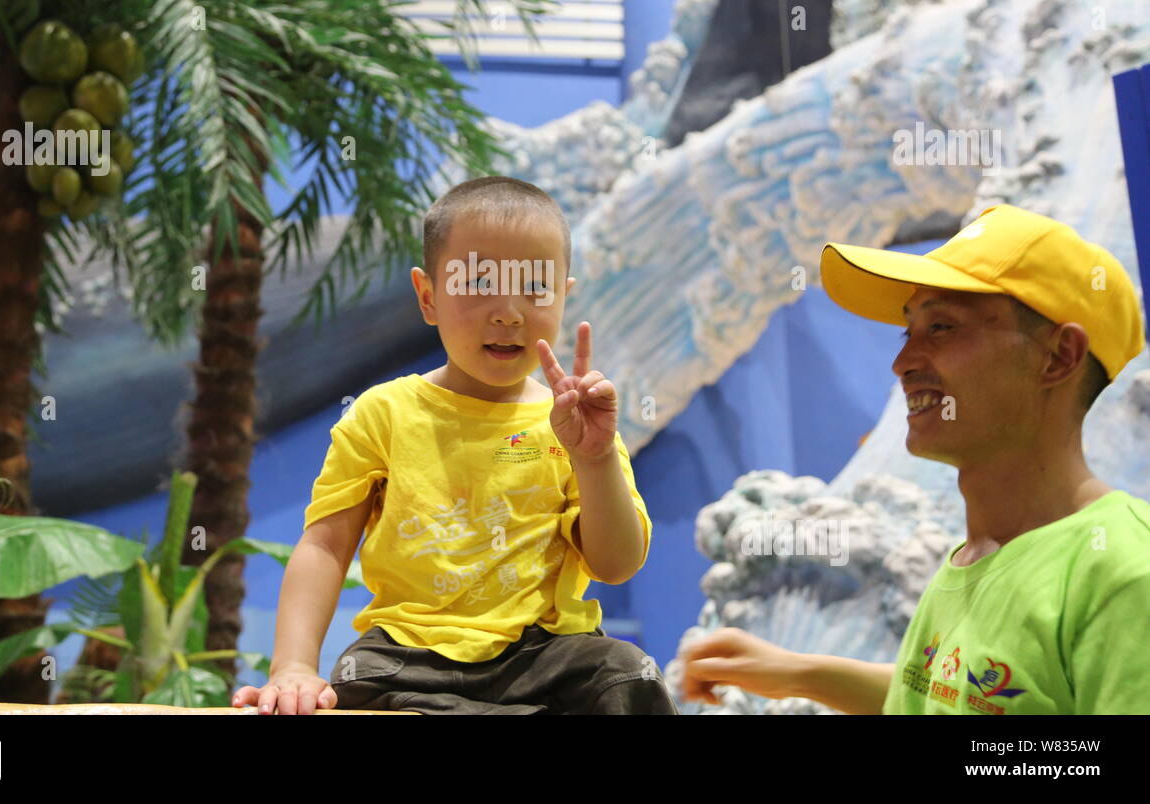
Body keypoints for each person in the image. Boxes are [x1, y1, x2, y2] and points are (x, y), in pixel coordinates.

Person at [680, 203, 1150, 714]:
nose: (903, 363)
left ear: (1058, 357)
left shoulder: (1123, 574)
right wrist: (801, 673)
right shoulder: (974, 558)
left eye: (943, 328)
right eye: (909, 332)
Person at [232, 175, 677, 714]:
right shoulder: (384, 412)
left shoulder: (581, 421)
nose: (508, 311)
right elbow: (325, 547)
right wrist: (294, 667)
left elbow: (616, 564)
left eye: (535, 287)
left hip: (545, 655)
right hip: (406, 658)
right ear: (429, 296)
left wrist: (594, 457)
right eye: (480, 282)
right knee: (361, 679)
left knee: (627, 673)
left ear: (564, 295)